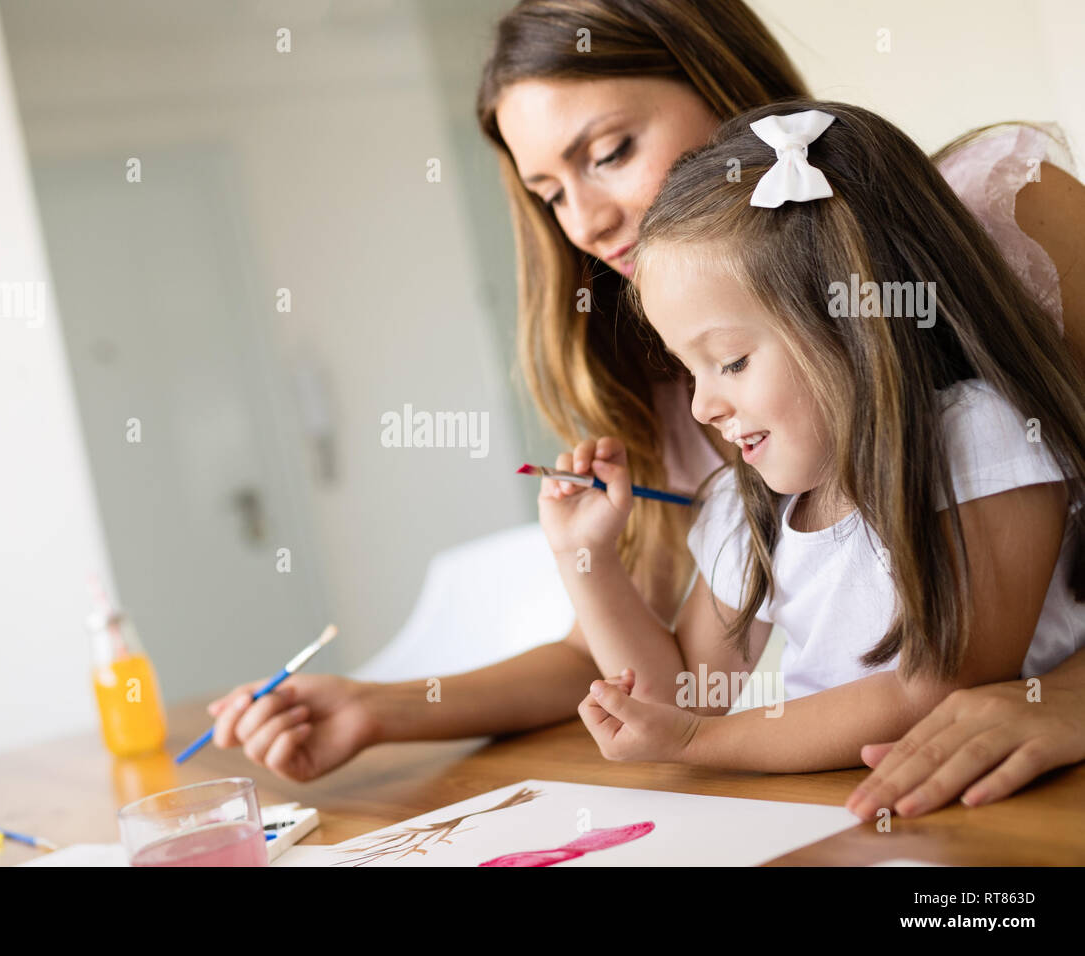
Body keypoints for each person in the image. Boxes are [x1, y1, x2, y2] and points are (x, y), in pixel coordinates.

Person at [206, 0, 1085, 816]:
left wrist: (1069, 703)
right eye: (547, 191)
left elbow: (941, 681)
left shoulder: (996, 260)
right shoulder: (739, 452)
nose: (582, 223)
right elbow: (652, 682)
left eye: (609, 151)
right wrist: (387, 703)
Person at [554, 101, 1085, 794]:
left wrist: (698, 741)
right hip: (861, 810)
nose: (702, 405)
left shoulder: (978, 442)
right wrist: (585, 559)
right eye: (690, 369)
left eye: (731, 362)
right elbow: (686, 693)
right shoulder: (746, 507)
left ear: (859, 326)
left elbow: (936, 689)